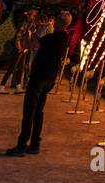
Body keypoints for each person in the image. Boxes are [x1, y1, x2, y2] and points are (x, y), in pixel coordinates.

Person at [5, 11, 73, 156]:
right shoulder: (64, 37)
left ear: (58, 23)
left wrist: (32, 31)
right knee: (38, 112)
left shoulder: (54, 37)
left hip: (39, 77)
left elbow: (32, 44)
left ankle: (21, 145)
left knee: (29, 111)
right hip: (49, 78)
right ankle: (35, 144)